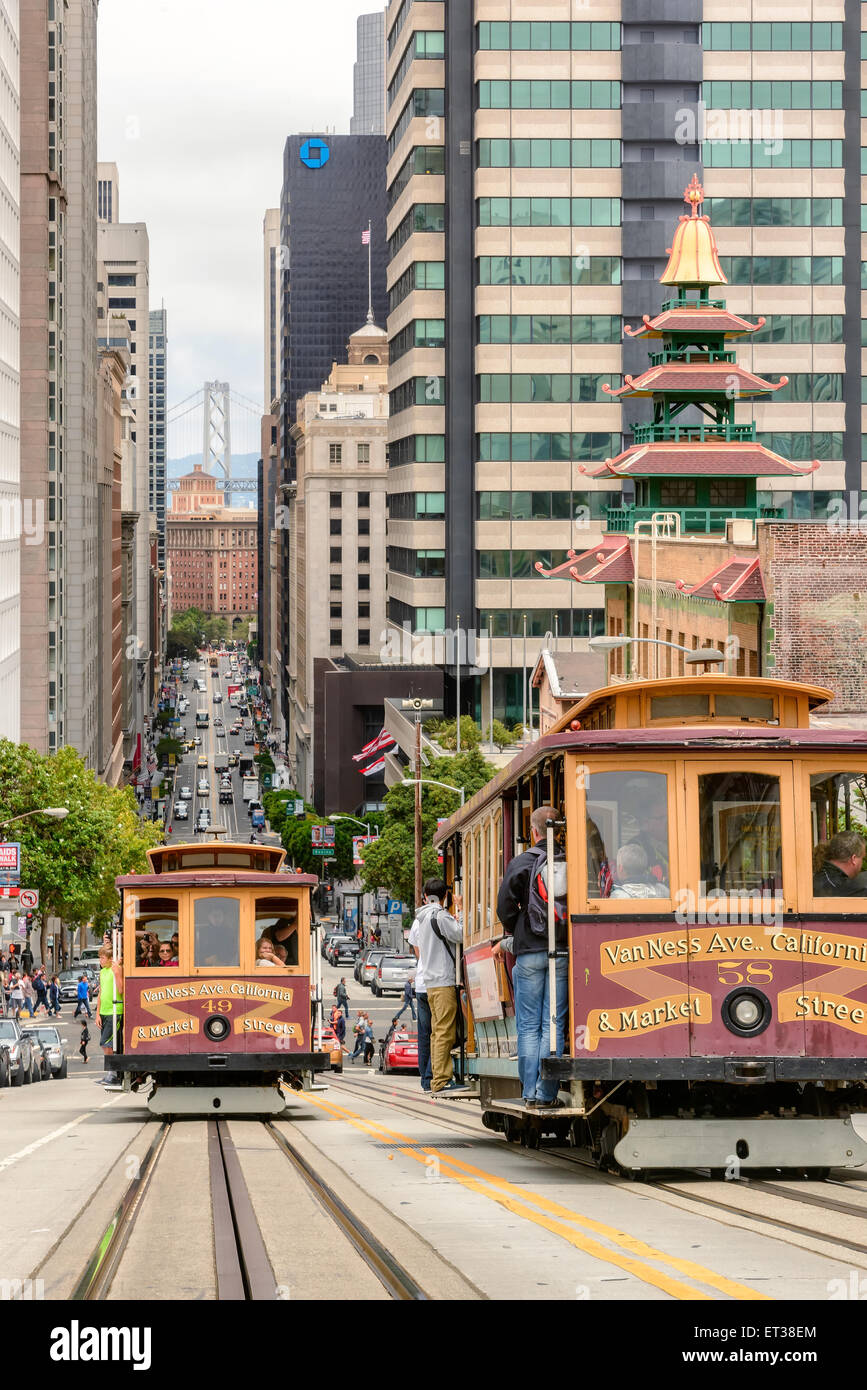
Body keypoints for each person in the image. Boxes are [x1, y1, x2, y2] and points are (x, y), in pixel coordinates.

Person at [494, 804, 568, 1109]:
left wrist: (520, 928)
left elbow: (504, 906)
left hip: (529, 951)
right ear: (559, 829)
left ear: (534, 831)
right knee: (554, 1023)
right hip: (562, 949)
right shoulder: (571, 859)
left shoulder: (523, 861)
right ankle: (548, 1093)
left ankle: (530, 1093)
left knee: (528, 1025)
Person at [412, 877, 463, 1094]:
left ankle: (435, 1078)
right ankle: (441, 1080)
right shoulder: (439, 916)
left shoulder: (422, 919)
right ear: (446, 896)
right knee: (444, 1032)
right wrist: (460, 908)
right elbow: (460, 934)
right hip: (443, 981)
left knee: (435, 1033)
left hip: (430, 982)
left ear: (426, 896)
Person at [408, 927, 432, 1092]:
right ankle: (430, 1077)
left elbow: (418, 952)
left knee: (424, 1035)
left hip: (421, 984)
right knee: (439, 1033)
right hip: (436, 982)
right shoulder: (444, 917)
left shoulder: (417, 922)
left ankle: (425, 1079)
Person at [97, 945, 124, 1088]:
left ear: (110, 959)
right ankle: (111, 1073)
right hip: (104, 1012)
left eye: (102, 957)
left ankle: (112, 1073)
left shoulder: (116, 969)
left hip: (115, 1011)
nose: (100, 960)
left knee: (106, 1043)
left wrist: (117, 972)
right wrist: (97, 1014)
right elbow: (101, 993)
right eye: (100, 957)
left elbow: (121, 989)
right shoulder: (102, 972)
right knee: (107, 1044)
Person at [813, 831, 867, 896]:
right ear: (854, 859)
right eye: (862, 858)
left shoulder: (822, 875)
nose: (861, 863)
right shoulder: (843, 888)